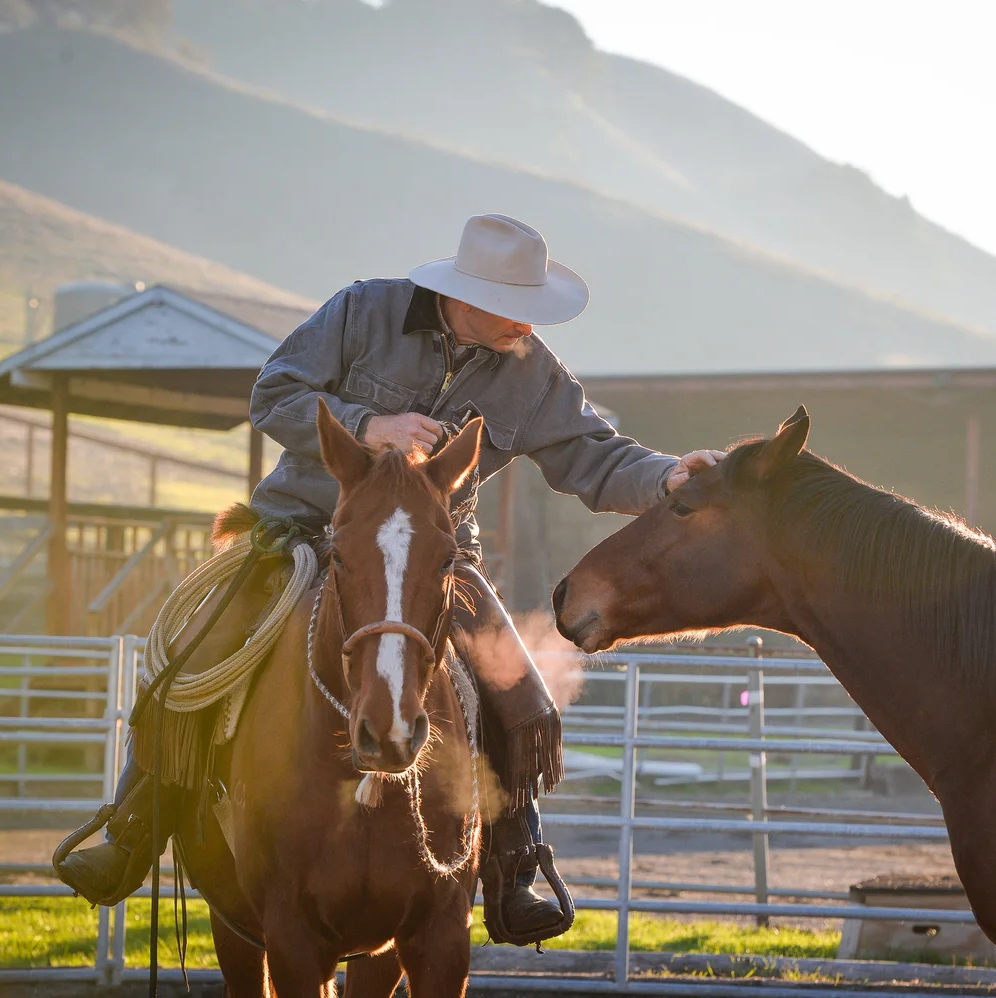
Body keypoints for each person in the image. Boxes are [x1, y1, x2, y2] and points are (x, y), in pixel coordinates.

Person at [55, 214, 723, 946]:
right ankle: (131, 830)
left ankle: (513, 866)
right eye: (516, 307)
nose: (528, 325)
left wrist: (667, 477)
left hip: (435, 556)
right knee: (194, 656)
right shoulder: (362, 311)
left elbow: (593, 453)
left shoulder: (532, 370)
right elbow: (273, 394)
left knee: (520, 694)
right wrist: (370, 425)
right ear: (467, 296)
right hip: (303, 529)